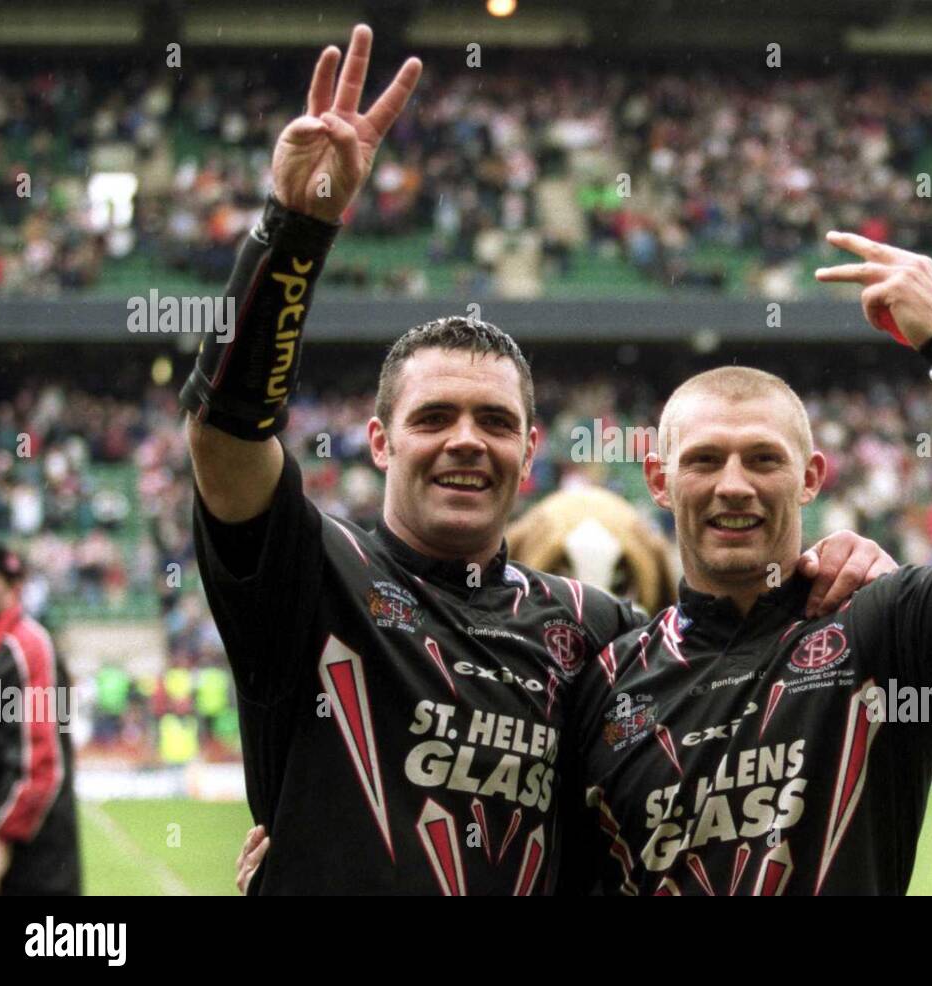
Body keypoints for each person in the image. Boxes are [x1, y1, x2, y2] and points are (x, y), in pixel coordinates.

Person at [193, 25, 895, 895]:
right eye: (434, 416)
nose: (464, 440)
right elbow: (225, 438)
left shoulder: (594, 630)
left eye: (493, 421)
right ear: (380, 442)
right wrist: (294, 229)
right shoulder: (311, 572)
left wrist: (833, 565)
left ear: (529, 452)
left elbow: (713, 707)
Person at [562, 232, 932, 895]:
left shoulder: (880, 629)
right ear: (660, 481)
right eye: (704, 460)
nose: (734, 485)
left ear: (810, 477)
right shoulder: (605, 680)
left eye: (763, 458)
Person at [0, 541, 81, 896]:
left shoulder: (28, 646)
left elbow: (41, 763)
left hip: (26, 861)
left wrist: (0, 840)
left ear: (14, 587)